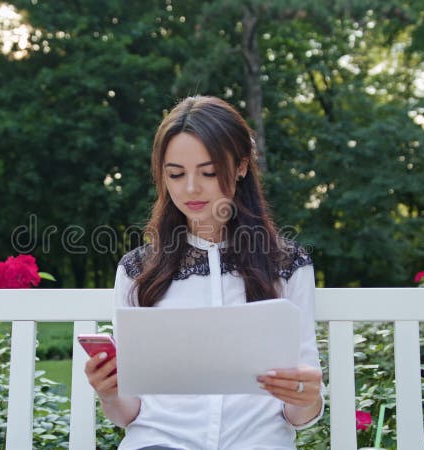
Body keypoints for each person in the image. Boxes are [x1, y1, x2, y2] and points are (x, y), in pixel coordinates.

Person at [84, 95, 324, 449]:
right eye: (176, 174)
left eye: (209, 172)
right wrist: (109, 393)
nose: (191, 188)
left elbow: (299, 415)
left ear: (241, 166)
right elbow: (128, 413)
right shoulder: (139, 270)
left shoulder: (286, 265)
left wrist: (306, 397)